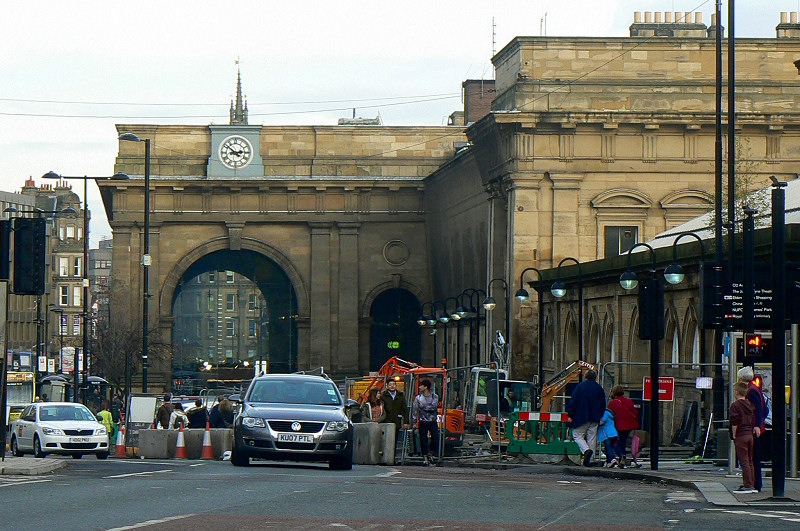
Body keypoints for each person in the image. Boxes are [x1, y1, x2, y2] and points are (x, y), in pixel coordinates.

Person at [566, 369, 606, 466]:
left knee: (577, 435)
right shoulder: (599, 388)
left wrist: (570, 414)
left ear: (585, 377)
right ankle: (590, 460)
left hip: (581, 416)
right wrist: (599, 416)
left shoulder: (580, 387)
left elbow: (573, 401)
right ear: (595, 377)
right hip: (594, 417)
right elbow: (603, 404)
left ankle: (586, 450)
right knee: (592, 438)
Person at [737, 366, 766, 492]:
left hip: (753, 427)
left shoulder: (751, 391)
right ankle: (753, 482)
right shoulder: (755, 388)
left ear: (742, 378)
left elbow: (759, 408)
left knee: (753, 456)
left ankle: (755, 483)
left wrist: (757, 425)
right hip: (754, 426)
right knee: (752, 455)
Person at [730, 381, 757, 494]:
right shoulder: (750, 404)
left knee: (744, 461)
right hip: (750, 435)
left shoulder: (735, 405)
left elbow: (734, 422)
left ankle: (748, 486)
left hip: (741, 434)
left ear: (736, 392)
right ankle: (751, 484)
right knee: (750, 461)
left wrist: (734, 435)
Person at [607, 385, 640, 467]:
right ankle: (623, 457)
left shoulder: (612, 403)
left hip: (618, 425)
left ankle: (621, 456)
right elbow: (635, 412)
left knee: (616, 442)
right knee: (623, 441)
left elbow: (610, 415)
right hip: (629, 424)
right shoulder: (628, 401)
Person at [411, 379, 439, 466]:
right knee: (423, 439)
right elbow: (415, 410)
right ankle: (425, 457)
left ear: (425, 387)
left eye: (421, 385)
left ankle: (431, 453)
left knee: (435, 438)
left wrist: (422, 406)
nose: (420, 387)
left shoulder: (434, 396)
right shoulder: (418, 398)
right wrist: (414, 422)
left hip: (432, 421)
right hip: (423, 421)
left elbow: (433, 407)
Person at [381, 379, 409, 462]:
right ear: (387, 386)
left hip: (397, 420)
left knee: (396, 440)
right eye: (390, 385)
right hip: (387, 421)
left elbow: (405, 409)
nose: (392, 386)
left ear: (396, 386)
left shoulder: (400, 396)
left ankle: (393, 458)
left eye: (393, 384)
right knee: (387, 440)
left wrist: (406, 422)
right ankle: (386, 458)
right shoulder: (384, 396)